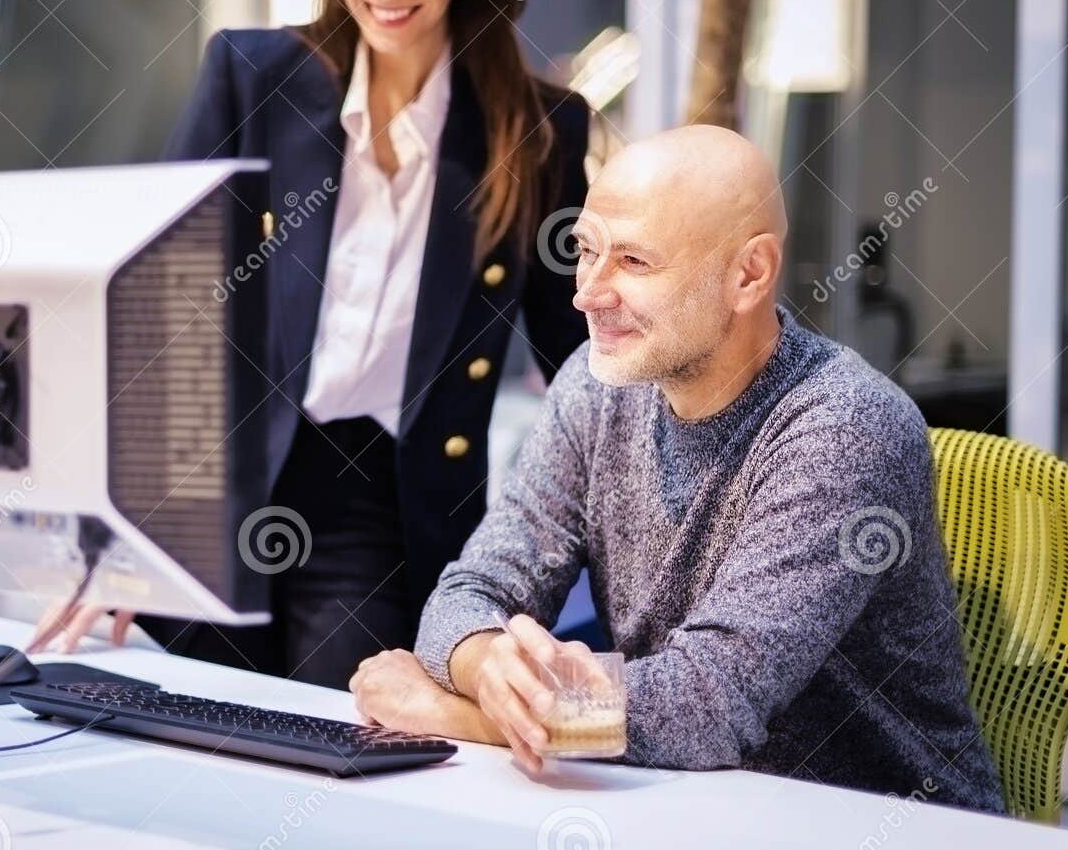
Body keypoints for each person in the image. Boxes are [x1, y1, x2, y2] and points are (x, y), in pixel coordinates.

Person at [32, 0, 592, 689]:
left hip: (376, 503)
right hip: (216, 480)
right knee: (181, 735)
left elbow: (577, 357)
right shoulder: (254, 77)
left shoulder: (537, 132)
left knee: (328, 745)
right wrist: (116, 528)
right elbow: (162, 307)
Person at [349, 125, 1007, 811]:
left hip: (886, 845)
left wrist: (457, 713)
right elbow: (471, 589)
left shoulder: (845, 424)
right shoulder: (597, 386)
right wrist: (487, 663)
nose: (588, 293)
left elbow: (704, 704)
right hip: (690, 811)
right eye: (586, 250)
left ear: (748, 274)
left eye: (633, 261)